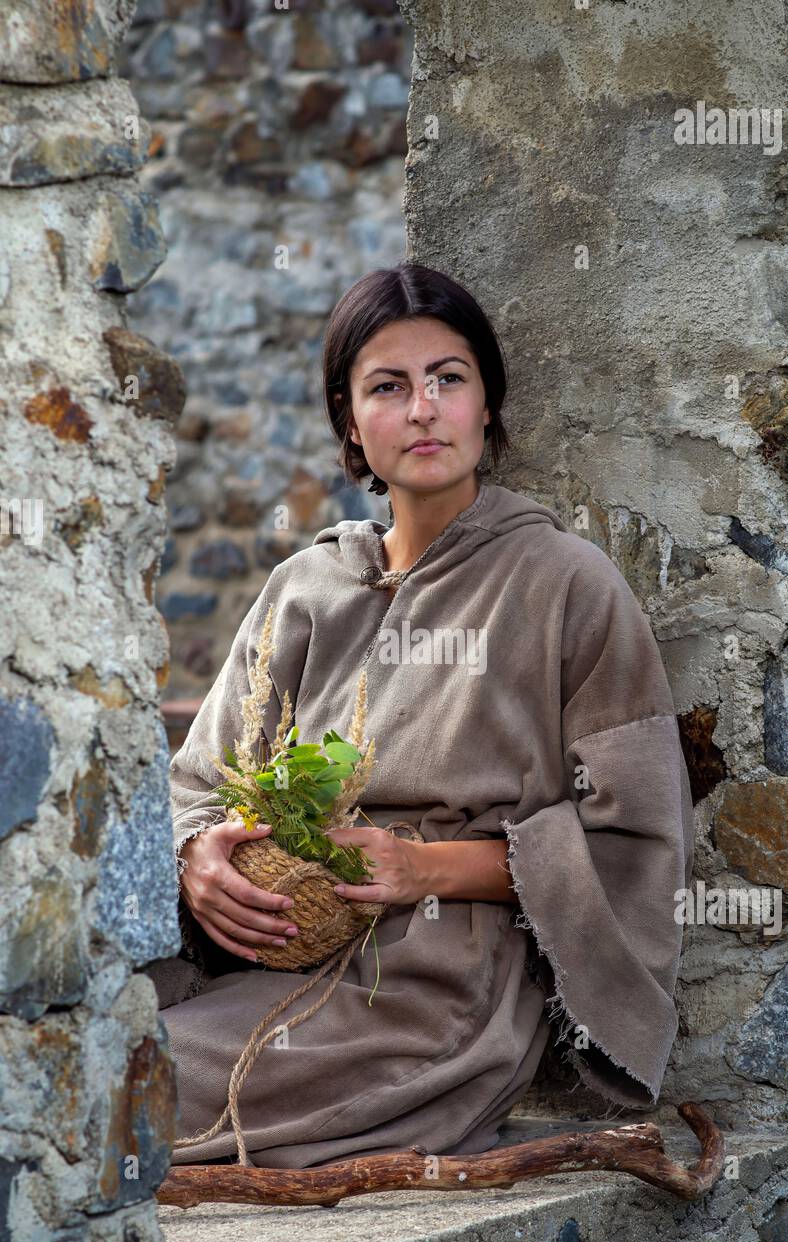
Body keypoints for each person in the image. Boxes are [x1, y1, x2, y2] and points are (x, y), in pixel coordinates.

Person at [152, 262, 694, 1169]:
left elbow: (636, 838)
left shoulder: (566, 585)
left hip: (435, 987)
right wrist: (199, 856)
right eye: (389, 388)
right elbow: (196, 784)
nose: (423, 409)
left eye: (449, 378)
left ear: (488, 405)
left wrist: (421, 868)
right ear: (351, 424)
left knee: (127, 1083)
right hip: (261, 956)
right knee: (71, 1028)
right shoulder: (305, 587)